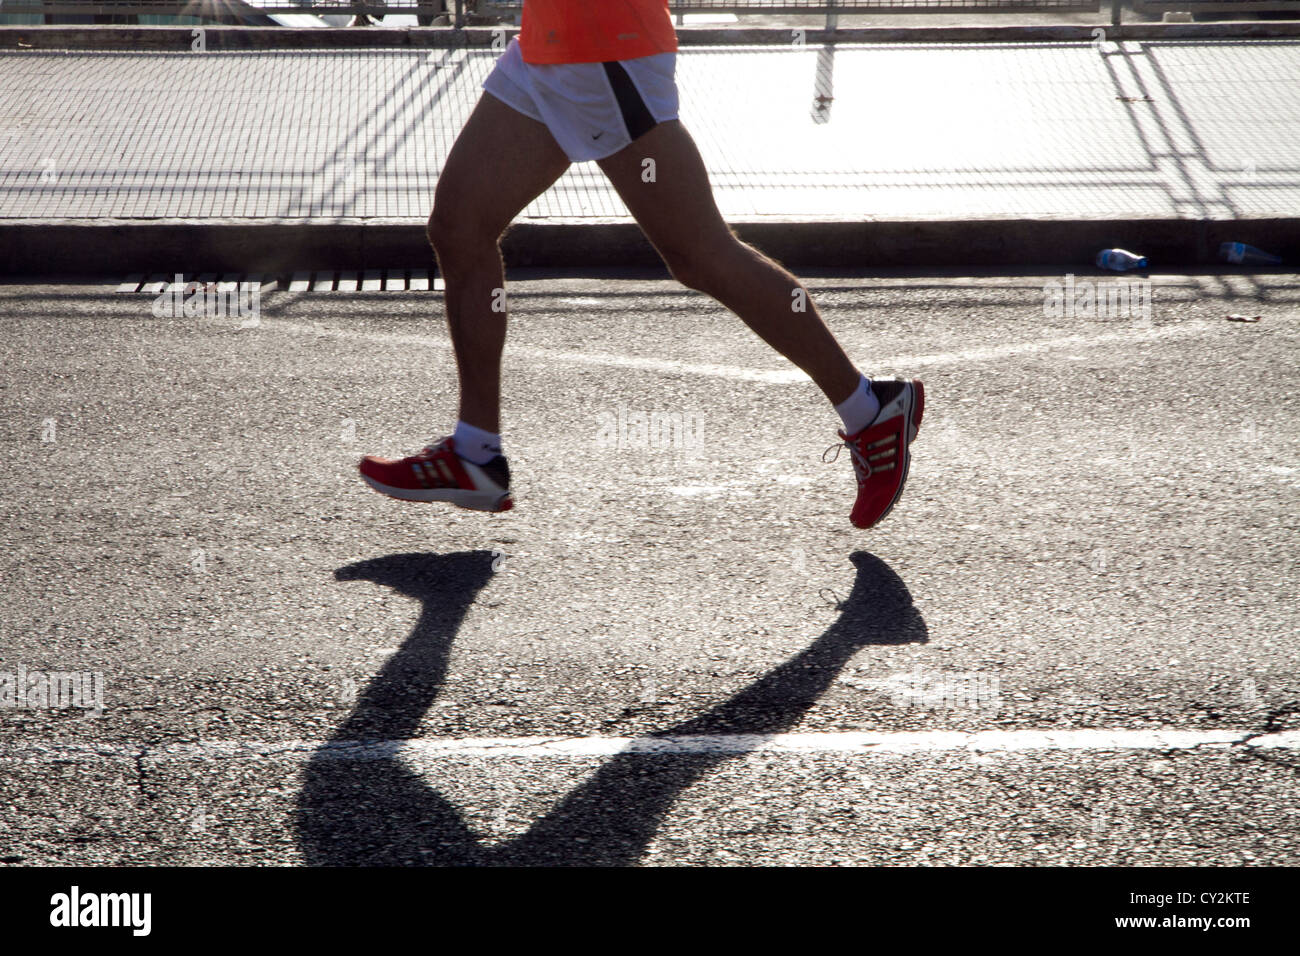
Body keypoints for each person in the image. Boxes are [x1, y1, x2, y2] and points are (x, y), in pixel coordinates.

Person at [359, 0, 923, 529]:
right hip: (550, 44)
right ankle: (475, 453)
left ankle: (868, 409)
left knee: (701, 254)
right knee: (458, 228)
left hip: (604, 48)